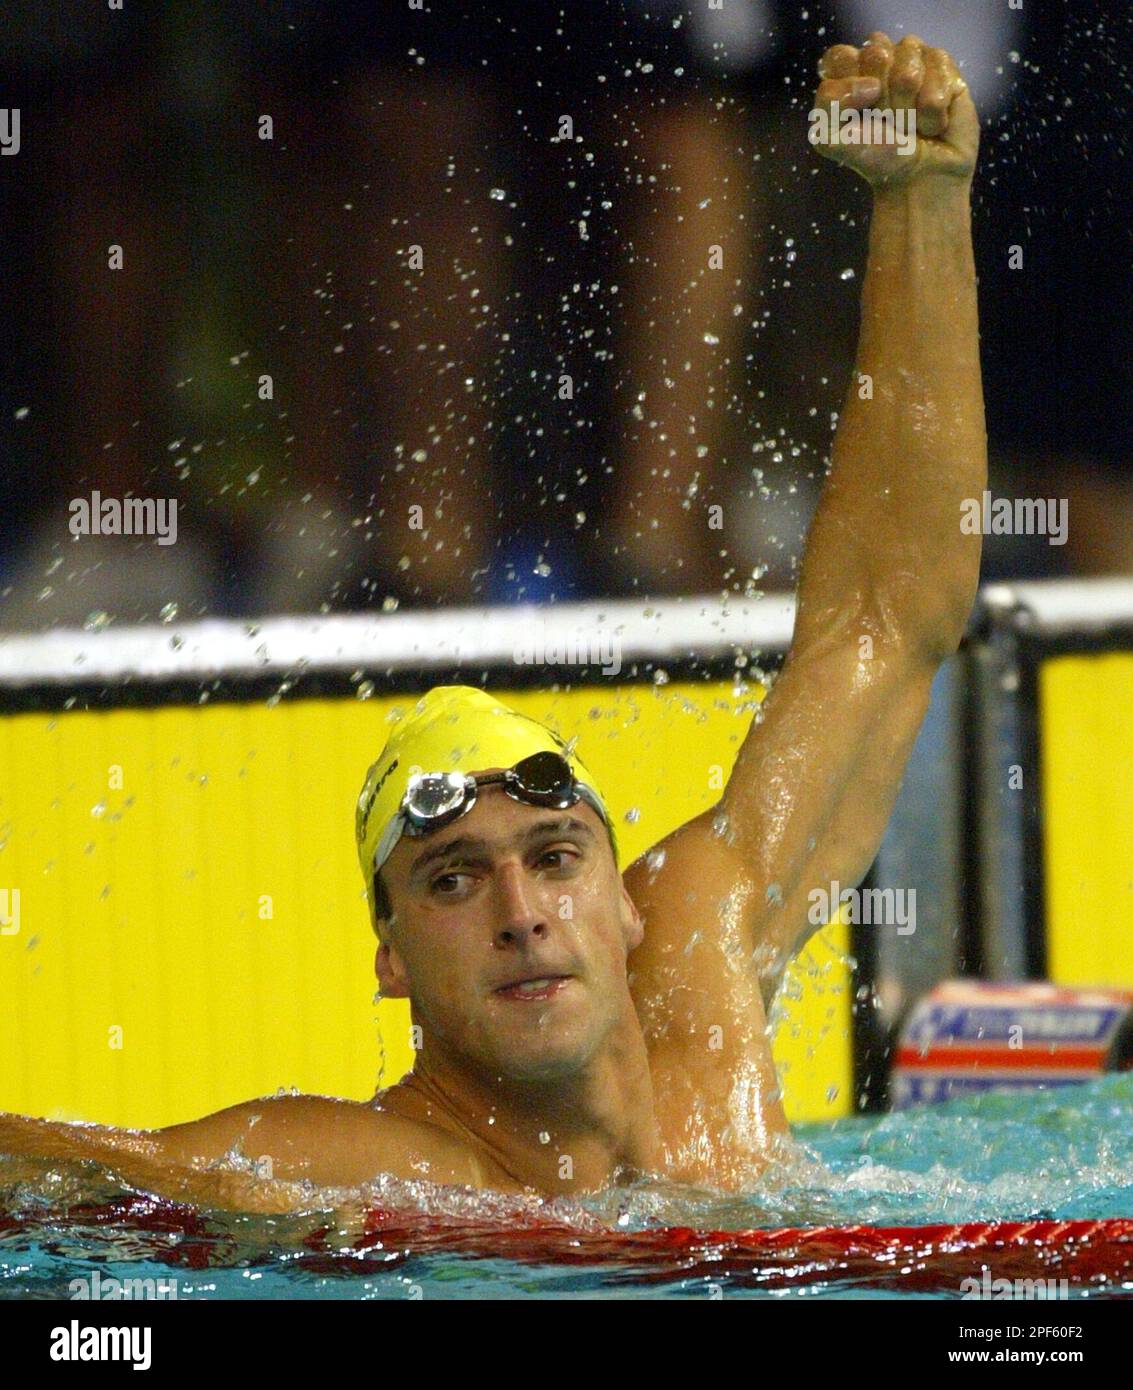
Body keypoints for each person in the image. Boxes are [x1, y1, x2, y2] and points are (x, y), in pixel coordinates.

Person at [0, 33, 985, 1213]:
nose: (523, 916)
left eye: (555, 859)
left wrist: (921, 203)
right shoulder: (390, 1174)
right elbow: (80, 1173)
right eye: (454, 882)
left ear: (626, 904)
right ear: (389, 961)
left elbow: (885, 618)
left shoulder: (699, 966)